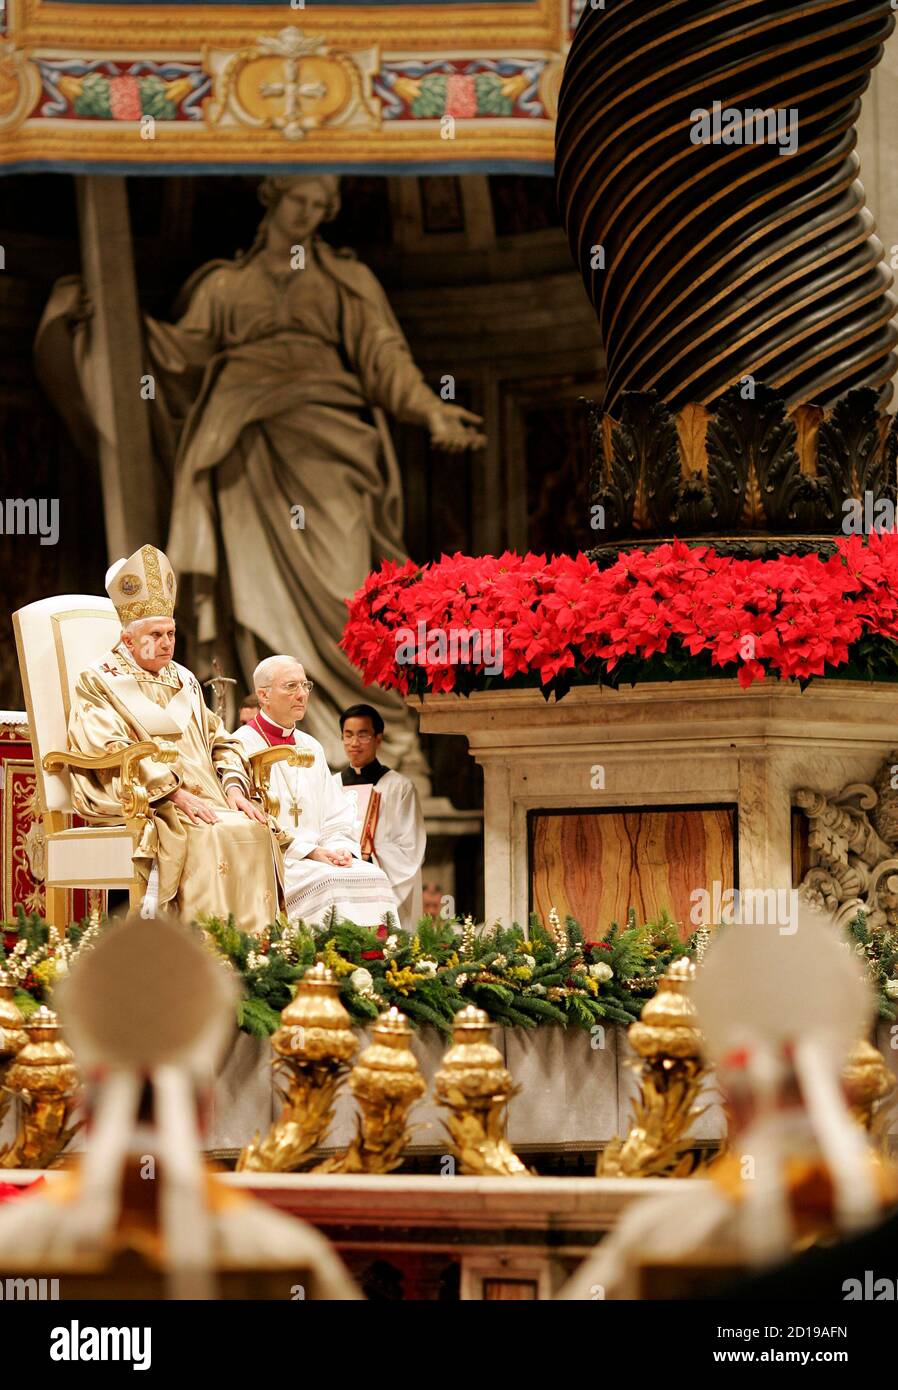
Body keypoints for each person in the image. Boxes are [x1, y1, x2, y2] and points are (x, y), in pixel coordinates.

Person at [66, 544, 287, 935]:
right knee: (213, 834)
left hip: (209, 800)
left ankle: (257, 954)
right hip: (144, 798)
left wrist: (235, 788)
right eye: (156, 634)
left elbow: (222, 740)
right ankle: (202, 952)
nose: (168, 642)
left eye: (170, 633)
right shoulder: (98, 679)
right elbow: (107, 747)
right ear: (128, 639)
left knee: (255, 827)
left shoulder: (183, 679)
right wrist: (171, 794)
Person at [233, 657, 399, 928]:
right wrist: (310, 851)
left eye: (305, 685)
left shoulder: (311, 746)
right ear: (263, 695)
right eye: (290, 686)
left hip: (320, 857)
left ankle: (377, 968)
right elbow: (246, 821)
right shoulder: (241, 745)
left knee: (374, 877)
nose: (302, 694)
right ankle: (323, 966)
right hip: (278, 861)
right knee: (330, 883)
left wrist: (340, 849)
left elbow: (335, 814)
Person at [336, 704, 426, 932]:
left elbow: (411, 848)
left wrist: (366, 856)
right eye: (348, 735)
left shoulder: (399, 787)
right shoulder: (332, 785)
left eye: (362, 734)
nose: (354, 743)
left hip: (382, 884)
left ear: (378, 738)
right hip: (341, 885)